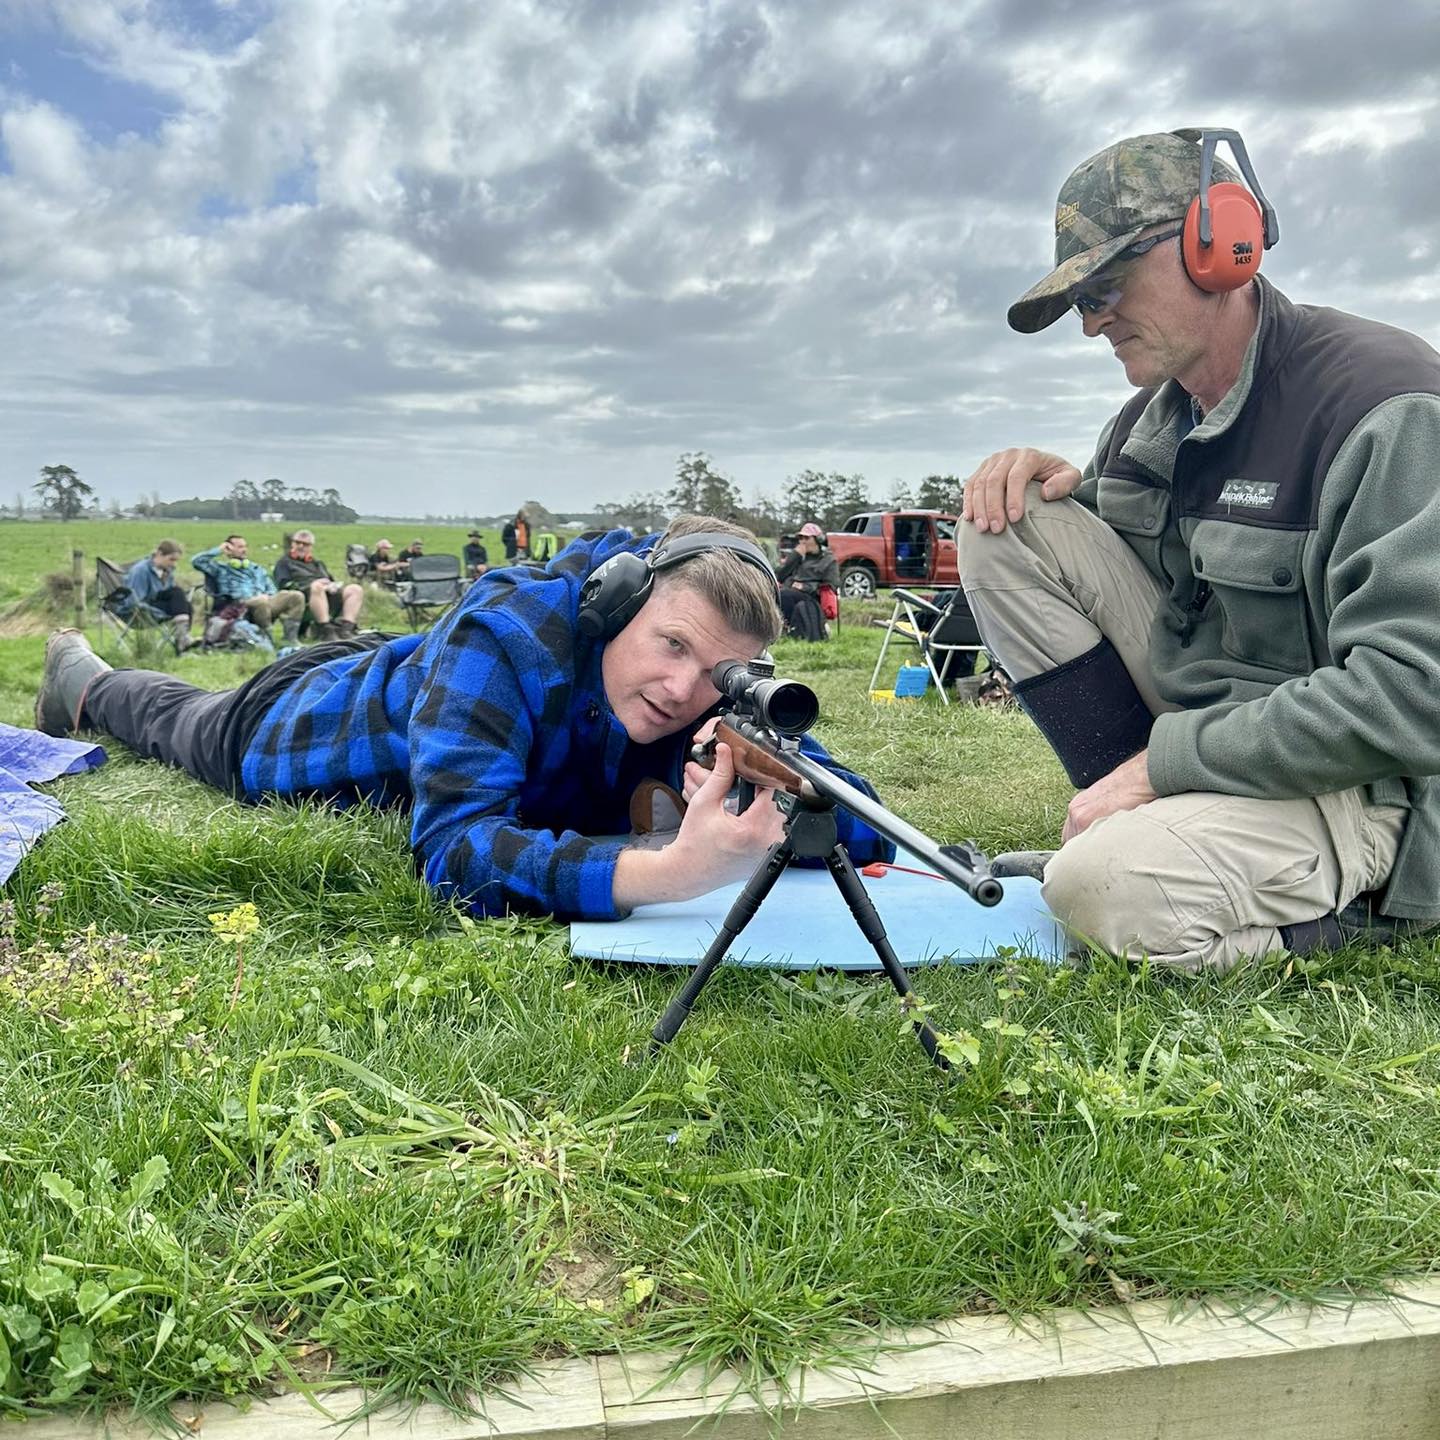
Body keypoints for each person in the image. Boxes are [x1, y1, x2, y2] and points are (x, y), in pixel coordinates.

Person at [957, 127, 1440, 972]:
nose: (1092, 323)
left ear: (1221, 242)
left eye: (1106, 286)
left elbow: (1414, 698)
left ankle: (1357, 915)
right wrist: (1049, 483)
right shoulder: (1148, 423)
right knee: (1008, 518)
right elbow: (1128, 573)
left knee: (1098, 895)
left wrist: (1164, 766)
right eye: (1081, 300)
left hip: (1363, 782)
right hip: (1226, 748)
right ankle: (1143, 831)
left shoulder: (1384, 406)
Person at [34, 517, 891, 921]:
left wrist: (787, 805)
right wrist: (668, 870)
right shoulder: (508, 633)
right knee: (171, 718)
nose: (680, 689)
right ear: (616, 605)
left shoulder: (708, 698)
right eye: (669, 643)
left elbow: (852, 804)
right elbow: (453, 853)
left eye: (716, 673)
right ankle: (81, 673)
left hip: (415, 670)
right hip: (298, 717)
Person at [192, 534, 305, 644]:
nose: (244, 550)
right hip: (240, 605)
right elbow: (197, 561)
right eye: (240, 547)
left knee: (296, 596)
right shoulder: (221, 569)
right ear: (229, 549)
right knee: (261, 602)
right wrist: (219, 549)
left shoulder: (257, 569)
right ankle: (267, 640)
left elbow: (272, 589)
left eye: (245, 546)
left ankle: (290, 639)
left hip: (266, 601)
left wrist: (268, 595)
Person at [273, 530, 364, 641]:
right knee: (317, 587)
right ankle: (325, 630)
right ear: (292, 544)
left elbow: (330, 580)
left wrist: (332, 585)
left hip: (327, 593)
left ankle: (346, 628)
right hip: (303, 595)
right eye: (297, 543)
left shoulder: (318, 564)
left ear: (310, 547)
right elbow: (284, 584)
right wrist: (313, 585)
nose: (301, 546)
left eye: (305, 544)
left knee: (355, 589)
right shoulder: (284, 562)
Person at [120, 541, 193, 652]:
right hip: (138, 611)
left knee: (186, 604)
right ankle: (183, 640)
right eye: (171, 559)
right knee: (178, 593)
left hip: (156, 603)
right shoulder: (141, 570)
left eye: (176, 561)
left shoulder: (167, 571)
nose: (174, 564)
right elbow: (133, 600)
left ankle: (183, 639)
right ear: (159, 554)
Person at [775, 523, 839, 642]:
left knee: (784, 595)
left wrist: (805, 587)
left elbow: (831, 585)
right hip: (792, 592)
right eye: (801, 538)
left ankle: (790, 626)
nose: (803, 541)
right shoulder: (798, 558)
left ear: (817, 540)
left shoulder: (828, 560)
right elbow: (781, 576)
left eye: (807, 538)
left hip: (813, 597)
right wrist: (795, 556)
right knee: (778, 593)